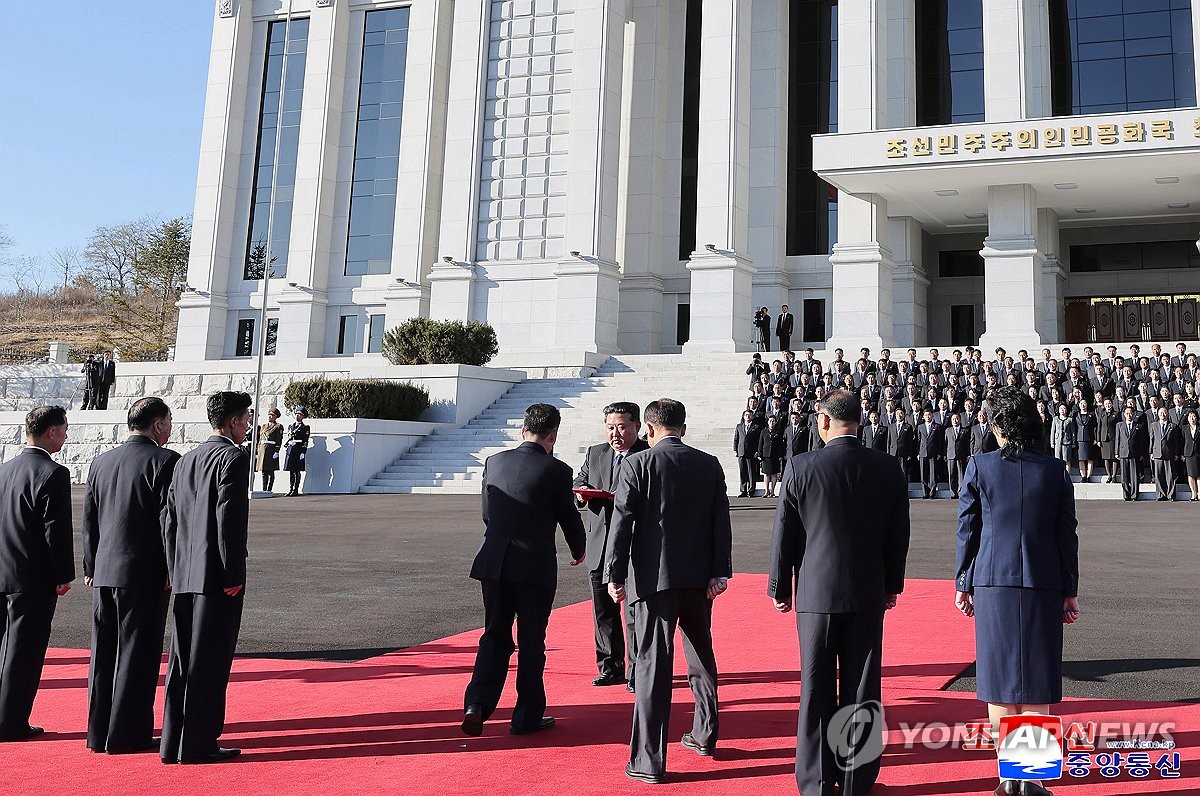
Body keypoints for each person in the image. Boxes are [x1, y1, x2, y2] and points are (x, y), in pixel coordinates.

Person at [768, 388, 910, 796]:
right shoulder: (887, 467)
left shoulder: (800, 466)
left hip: (816, 592)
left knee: (815, 687)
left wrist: (780, 586)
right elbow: (898, 534)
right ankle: (856, 779)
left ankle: (815, 780)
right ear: (859, 423)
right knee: (863, 688)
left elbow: (785, 533)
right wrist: (891, 585)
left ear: (824, 421)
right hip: (867, 590)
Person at [955, 387, 1080, 796]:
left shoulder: (980, 466)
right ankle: (1032, 779)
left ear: (998, 427)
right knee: (1037, 683)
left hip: (993, 581)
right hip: (1044, 581)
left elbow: (968, 530)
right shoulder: (1055, 470)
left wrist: (963, 582)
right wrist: (1070, 589)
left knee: (1000, 684)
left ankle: (1008, 777)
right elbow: (1066, 535)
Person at [605, 398, 732, 785]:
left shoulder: (637, 465)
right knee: (701, 657)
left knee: (651, 666)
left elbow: (622, 523)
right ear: (683, 427)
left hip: (653, 581)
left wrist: (614, 574)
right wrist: (719, 572)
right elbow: (720, 522)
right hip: (698, 580)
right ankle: (705, 734)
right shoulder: (709, 464)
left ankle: (649, 760)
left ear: (648, 429)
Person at [462, 404, 585, 737]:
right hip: (533, 566)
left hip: (493, 562)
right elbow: (569, 516)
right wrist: (579, 550)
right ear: (553, 436)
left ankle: (477, 704)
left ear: (523, 430)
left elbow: (488, 513)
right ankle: (526, 716)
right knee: (531, 641)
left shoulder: (495, 461)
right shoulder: (557, 470)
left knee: (494, 634)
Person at [82, 397, 179, 754]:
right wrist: (172, 567)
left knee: (103, 653)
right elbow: (168, 521)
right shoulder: (166, 461)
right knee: (138, 653)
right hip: (144, 572)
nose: (170, 427)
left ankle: (98, 732)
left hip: (105, 571)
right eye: (169, 421)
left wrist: (90, 566)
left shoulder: (101, 461)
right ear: (158, 424)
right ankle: (128, 733)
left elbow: (90, 518)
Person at [160, 391, 253, 764]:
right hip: (216, 577)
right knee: (211, 662)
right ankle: (199, 743)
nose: (247, 426)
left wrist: (174, 568)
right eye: (245, 419)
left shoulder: (185, 460)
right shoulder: (233, 457)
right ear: (232, 422)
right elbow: (229, 518)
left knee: (182, 661)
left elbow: (169, 519)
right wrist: (233, 572)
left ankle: (174, 741)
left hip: (185, 574)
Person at [0, 406, 74, 741]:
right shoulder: (53, 473)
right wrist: (63, 574)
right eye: (64, 430)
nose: (65, 436)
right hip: (32, 578)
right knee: (24, 652)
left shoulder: (4, 470)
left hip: (3, 570)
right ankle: (11, 722)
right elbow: (54, 530)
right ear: (51, 432)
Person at [573, 402, 649, 690]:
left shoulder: (647, 454)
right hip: (599, 545)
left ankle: (638, 669)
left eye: (622, 427)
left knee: (633, 612)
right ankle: (610, 666)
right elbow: (580, 480)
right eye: (610, 427)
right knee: (603, 612)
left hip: (632, 546)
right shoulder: (596, 453)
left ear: (637, 426)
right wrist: (582, 494)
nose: (615, 434)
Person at [1149, 406, 1181, 501]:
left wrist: (1176, 453)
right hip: (1157, 453)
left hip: (1169, 453)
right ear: (1158, 414)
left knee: (1170, 475)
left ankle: (1171, 495)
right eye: (1161, 413)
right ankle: (1161, 495)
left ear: (1167, 414)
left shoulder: (1173, 426)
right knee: (1158, 475)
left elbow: (1176, 441)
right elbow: (1151, 439)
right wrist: (1151, 452)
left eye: (1164, 412)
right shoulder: (1153, 425)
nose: (1162, 414)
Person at [917, 408, 944, 499]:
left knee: (933, 473)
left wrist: (939, 452)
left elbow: (940, 441)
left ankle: (932, 492)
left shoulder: (937, 426)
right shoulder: (920, 427)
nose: (928, 416)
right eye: (926, 415)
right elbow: (918, 441)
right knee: (923, 474)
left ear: (932, 415)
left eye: (929, 414)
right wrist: (918, 453)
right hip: (922, 452)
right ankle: (925, 492)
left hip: (934, 452)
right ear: (923, 417)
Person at [734, 409, 762, 498]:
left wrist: (757, 451)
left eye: (749, 415)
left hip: (751, 452)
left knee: (751, 472)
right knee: (742, 472)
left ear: (752, 417)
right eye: (746, 415)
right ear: (743, 416)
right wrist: (735, 450)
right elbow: (736, 438)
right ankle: (743, 490)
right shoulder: (739, 426)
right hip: (741, 451)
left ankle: (751, 490)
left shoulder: (756, 427)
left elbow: (758, 440)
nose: (748, 416)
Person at [283, 406, 311, 496]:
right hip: (291, 449)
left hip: (298, 449)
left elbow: (305, 440)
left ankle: (295, 489)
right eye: (296, 414)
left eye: (300, 414)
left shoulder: (305, 427)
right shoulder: (291, 426)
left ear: (303, 416)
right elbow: (289, 437)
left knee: (297, 471)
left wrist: (303, 451)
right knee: (291, 470)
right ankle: (290, 489)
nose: (297, 416)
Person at [256, 408, 284, 493]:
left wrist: (277, 450)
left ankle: (269, 489)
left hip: (271, 450)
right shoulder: (263, 426)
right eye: (269, 415)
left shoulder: (278, 426)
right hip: (263, 450)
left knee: (270, 471)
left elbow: (279, 439)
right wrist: (258, 450)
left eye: (272, 415)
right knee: (263, 471)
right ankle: (264, 489)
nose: (270, 416)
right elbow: (260, 439)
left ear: (276, 416)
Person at [758, 414, 786, 499]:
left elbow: (781, 444)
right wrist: (759, 453)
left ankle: (772, 491)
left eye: (773, 421)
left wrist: (781, 454)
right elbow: (760, 443)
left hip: (775, 455)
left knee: (774, 474)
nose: (772, 422)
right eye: (770, 421)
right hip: (766, 455)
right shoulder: (763, 431)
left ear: (776, 422)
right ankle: (766, 491)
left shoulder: (778, 432)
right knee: (766, 474)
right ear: (768, 422)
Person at [945, 412, 971, 498]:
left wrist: (968, 454)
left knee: (961, 475)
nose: (955, 420)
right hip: (950, 455)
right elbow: (945, 443)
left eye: (957, 419)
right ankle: (953, 492)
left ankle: (961, 492)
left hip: (961, 455)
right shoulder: (948, 430)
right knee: (951, 475)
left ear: (960, 420)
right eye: (953, 419)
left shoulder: (965, 431)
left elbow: (967, 444)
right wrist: (944, 455)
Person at [1074, 400, 1097, 482]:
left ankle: (1088, 476)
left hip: (1089, 438)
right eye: (1081, 403)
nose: (1083, 405)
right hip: (1079, 439)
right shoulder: (1075, 415)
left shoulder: (1091, 414)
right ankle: (1083, 476)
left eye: (1084, 403)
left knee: (1089, 458)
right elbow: (1074, 428)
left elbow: (1095, 427)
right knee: (1081, 458)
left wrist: (1095, 438)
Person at [1182, 409, 1200, 501]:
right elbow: (1182, 441)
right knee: (1191, 474)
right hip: (1188, 454)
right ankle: (1194, 493)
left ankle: (1199, 493)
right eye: (1190, 416)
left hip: (1198, 453)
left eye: (1194, 416)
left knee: (1199, 474)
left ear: (1197, 418)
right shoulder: (1184, 428)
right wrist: (1182, 454)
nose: (1192, 418)